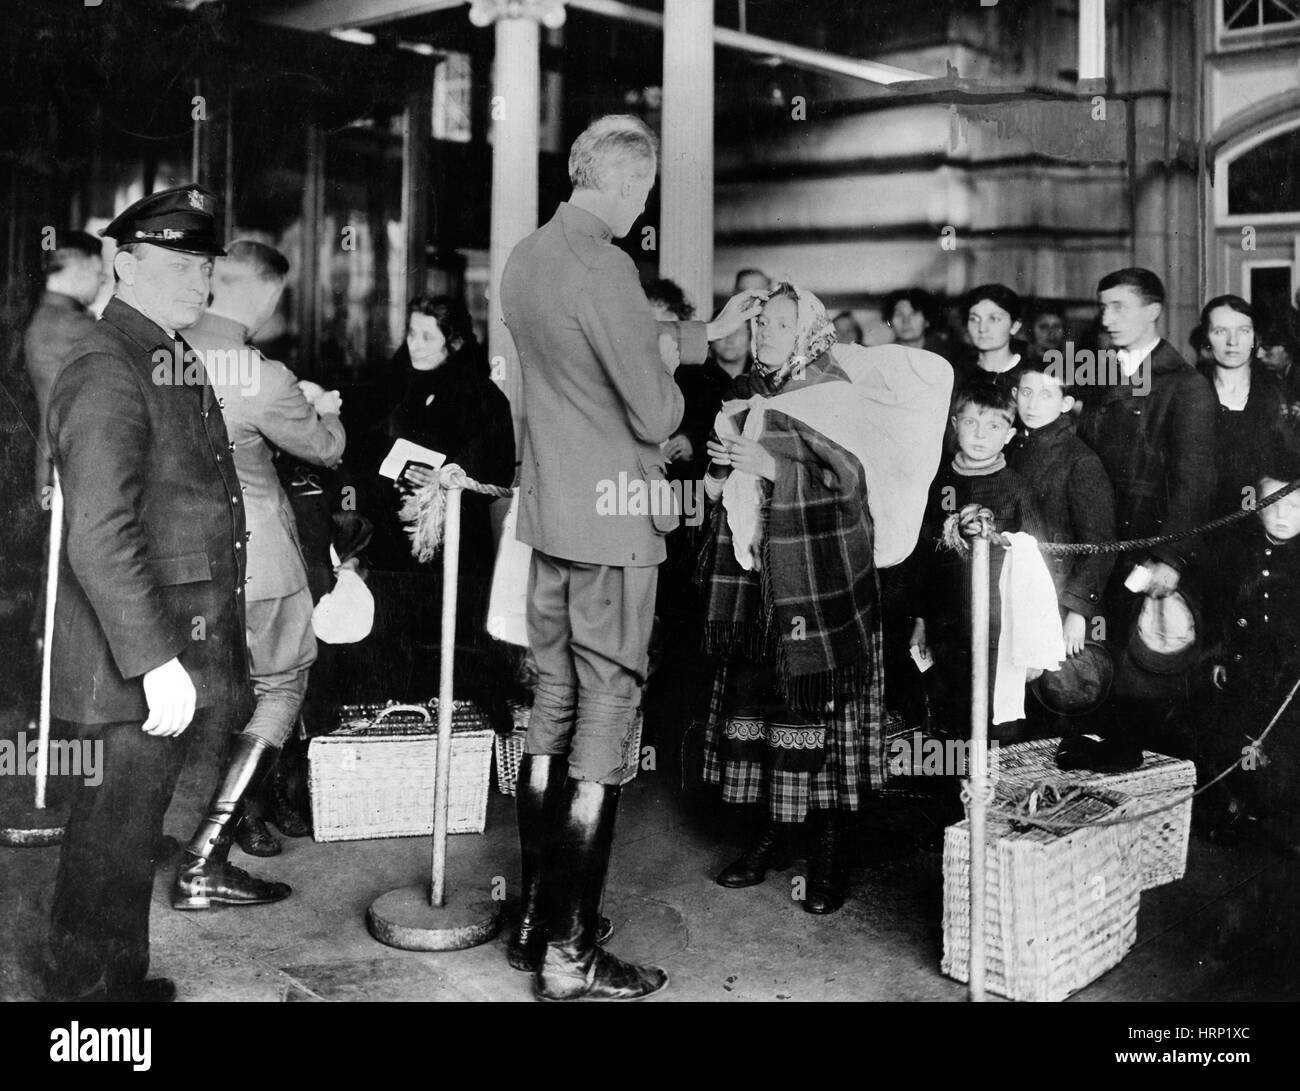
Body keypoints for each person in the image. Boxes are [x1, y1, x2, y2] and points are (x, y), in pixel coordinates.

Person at [501, 114, 761, 1000]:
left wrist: (702, 330)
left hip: (549, 518)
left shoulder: (528, 255)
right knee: (609, 714)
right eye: (644, 193)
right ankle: (571, 955)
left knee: (553, 702)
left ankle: (535, 919)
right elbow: (653, 414)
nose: (643, 207)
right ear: (619, 183)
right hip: (614, 525)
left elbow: (586, 343)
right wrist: (693, 413)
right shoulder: (608, 265)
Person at [42, 184, 248, 1003]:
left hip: (152, 636)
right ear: (125, 263)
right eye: (178, 263)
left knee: (123, 827)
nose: (198, 281)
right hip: (130, 647)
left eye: (204, 265)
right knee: (114, 828)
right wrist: (158, 658)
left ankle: (104, 982)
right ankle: (91, 1005)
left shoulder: (152, 344)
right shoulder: (108, 360)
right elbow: (99, 530)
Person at [699, 282, 891, 915]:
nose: (765, 333)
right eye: (761, 324)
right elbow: (727, 495)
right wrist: (725, 465)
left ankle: (829, 857)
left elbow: (852, 488)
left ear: (810, 332)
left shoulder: (833, 394)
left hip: (819, 584)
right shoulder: (754, 398)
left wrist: (772, 466)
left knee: (821, 717)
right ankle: (772, 837)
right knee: (764, 705)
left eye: (782, 323)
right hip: (762, 578)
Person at [172, 241, 345, 900]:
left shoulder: (159, 351)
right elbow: (325, 451)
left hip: (180, 565)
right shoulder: (260, 374)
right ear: (267, 295)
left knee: (208, 695)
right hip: (258, 559)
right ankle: (205, 858)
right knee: (280, 686)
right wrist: (323, 407)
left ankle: (196, 842)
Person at [1077, 267, 1218, 760]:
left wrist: (1171, 557)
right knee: (1099, 678)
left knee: (1147, 681)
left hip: (1147, 552)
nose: (1107, 318)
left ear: (1153, 311)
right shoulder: (1100, 376)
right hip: (1101, 547)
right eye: (1103, 307)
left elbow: (1194, 484)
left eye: (1119, 307)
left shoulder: (1187, 387)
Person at [910, 380, 1046, 742]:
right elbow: (924, 562)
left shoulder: (1018, 489)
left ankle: (998, 796)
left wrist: (1034, 642)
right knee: (949, 719)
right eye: (971, 423)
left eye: (994, 426)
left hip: (1000, 632)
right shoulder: (938, 485)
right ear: (954, 425)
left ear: (1010, 434)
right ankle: (958, 798)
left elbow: (1038, 571)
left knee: (999, 723)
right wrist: (922, 621)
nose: (980, 435)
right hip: (947, 628)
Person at [1006, 358, 1116, 732]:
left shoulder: (1079, 460)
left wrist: (1078, 611)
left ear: (1066, 404)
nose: (1033, 404)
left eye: (1047, 394)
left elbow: (1100, 544)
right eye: (1026, 392)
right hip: (1010, 595)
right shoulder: (1007, 449)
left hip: (1054, 598)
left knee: (1048, 708)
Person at [1200, 458, 1300, 855]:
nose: (1281, 515)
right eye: (1272, 504)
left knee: (1285, 744)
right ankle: (1241, 808)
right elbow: (1223, 607)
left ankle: (1281, 818)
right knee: (1236, 736)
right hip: (1247, 664)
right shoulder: (1238, 550)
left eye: (1294, 507)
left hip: (1291, 674)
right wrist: (1221, 653)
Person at [1196, 295, 1296, 520]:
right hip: (1202, 523)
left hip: (1264, 522)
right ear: (1206, 338)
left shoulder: (1281, 393)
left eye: (1243, 331)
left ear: (1255, 338)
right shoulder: (1187, 392)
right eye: (1220, 331)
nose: (1233, 342)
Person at [24, 230, 105, 497]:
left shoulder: (51, 315)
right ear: (80, 271)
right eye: (98, 272)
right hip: (67, 469)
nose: (102, 281)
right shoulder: (71, 324)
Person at [883, 288, 949, 359]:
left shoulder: (945, 354)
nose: (906, 321)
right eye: (898, 314)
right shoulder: (885, 356)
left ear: (927, 320)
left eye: (914, 314)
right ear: (890, 321)